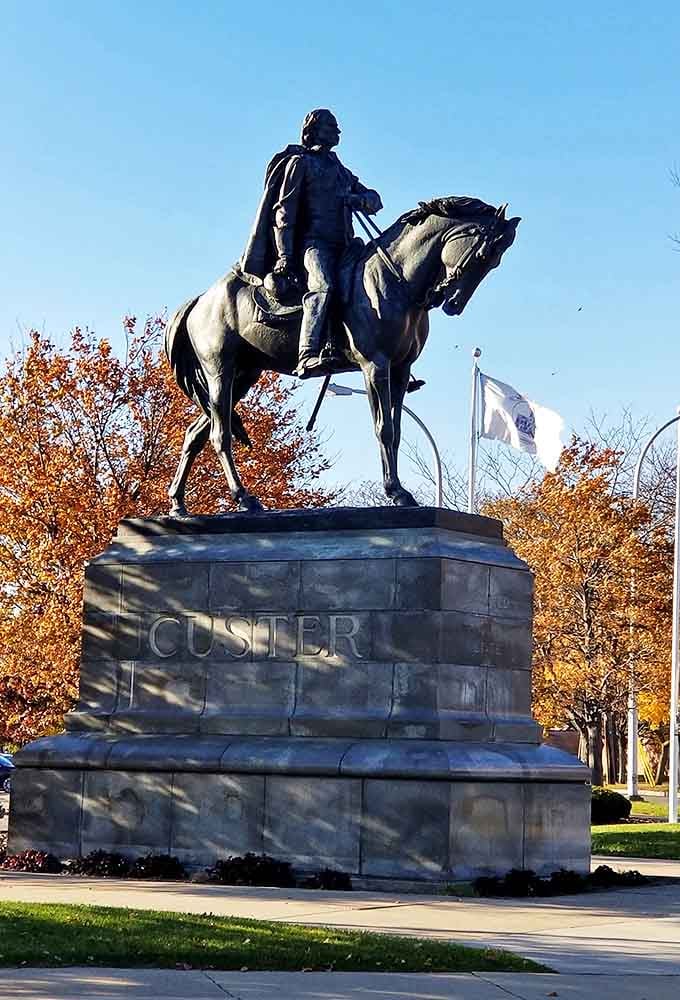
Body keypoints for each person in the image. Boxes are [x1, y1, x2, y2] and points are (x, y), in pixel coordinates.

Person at [240, 109, 382, 377]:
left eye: (337, 127)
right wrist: (284, 255)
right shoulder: (301, 163)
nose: (337, 131)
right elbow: (284, 212)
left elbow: (375, 199)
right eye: (331, 126)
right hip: (314, 244)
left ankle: (381, 348)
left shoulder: (340, 170)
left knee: (370, 284)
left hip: (345, 246)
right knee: (323, 286)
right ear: (314, 131)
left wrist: (361, 200)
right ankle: (307, 354)